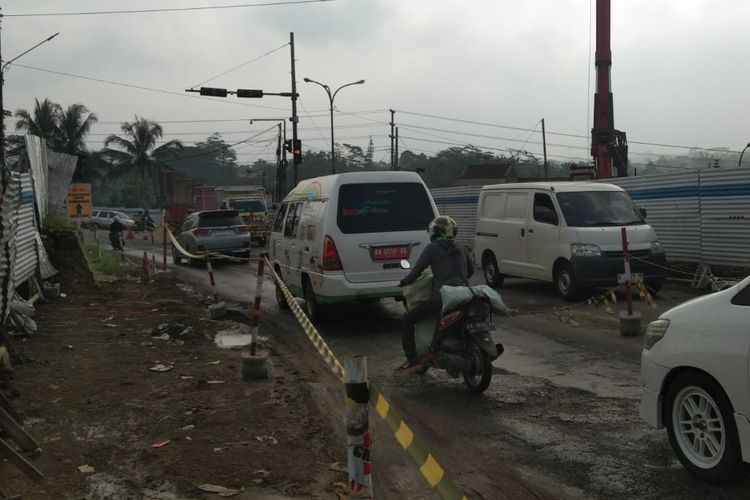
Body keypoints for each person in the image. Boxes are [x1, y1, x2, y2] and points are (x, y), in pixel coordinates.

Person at [397, 215, 474, 370]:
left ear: (435, 232)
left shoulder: (432, 248)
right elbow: (471, 270)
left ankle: (412, 359)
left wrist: (404, 281)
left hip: (441, 298)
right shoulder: (461, 247)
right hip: (465, 295)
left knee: (407, 320)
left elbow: (416, 272)